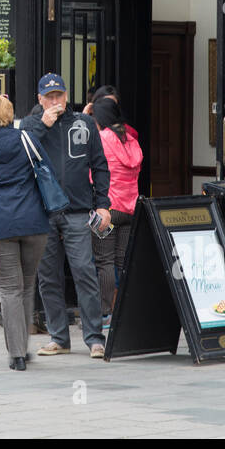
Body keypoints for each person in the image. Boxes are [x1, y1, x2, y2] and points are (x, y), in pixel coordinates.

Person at [20, 72, 111, 359]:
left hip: (77, 211)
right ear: (40, 99)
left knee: (84, 272)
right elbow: (20, 160)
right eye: (49, 97)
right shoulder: (29, 126)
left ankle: (94, 338)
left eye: (59, 95)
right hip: (42, 211)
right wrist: (42, 127)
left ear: (67, 95)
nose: (54, 101)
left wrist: (103, 204)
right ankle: (59, 337)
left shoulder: (84, 124)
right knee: (48, 276)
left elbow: (99, 165)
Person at [0, 93, 49, 371]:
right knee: (27, 285)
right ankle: (23, 347)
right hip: (34, 221)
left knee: (9, 288)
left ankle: (16, 354)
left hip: (2, 223)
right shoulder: (27, 140)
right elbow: (46, 172)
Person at [91, 96, 143, 326]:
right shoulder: (130, 139)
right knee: (123, 262)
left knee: (104, 261)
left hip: (107, 210)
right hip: (129, 210)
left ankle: (105, 314)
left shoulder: (101, 138)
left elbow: (91, 173)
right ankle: (128, 310)